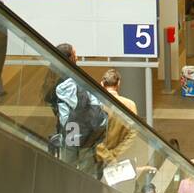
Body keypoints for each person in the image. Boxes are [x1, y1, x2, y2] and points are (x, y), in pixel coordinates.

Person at [47, 43, 107, 175]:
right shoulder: (70, 79)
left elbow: (48, 98)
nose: (77, 57)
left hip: (70, 127)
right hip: (78, 128)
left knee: (70, 163)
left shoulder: (54, 74)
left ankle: (70, 183)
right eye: (75, 54)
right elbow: (83, 103)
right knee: (82, 163)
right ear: (70, 58)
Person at [95, 68, 138, 176]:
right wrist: (115, 154)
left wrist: (107, 156)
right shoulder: (130, 105)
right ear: (118, 83)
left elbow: (92, 137)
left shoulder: (95, 103)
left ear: (102, 83)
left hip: (96, 160)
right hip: (121, 160)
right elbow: (133, 134)